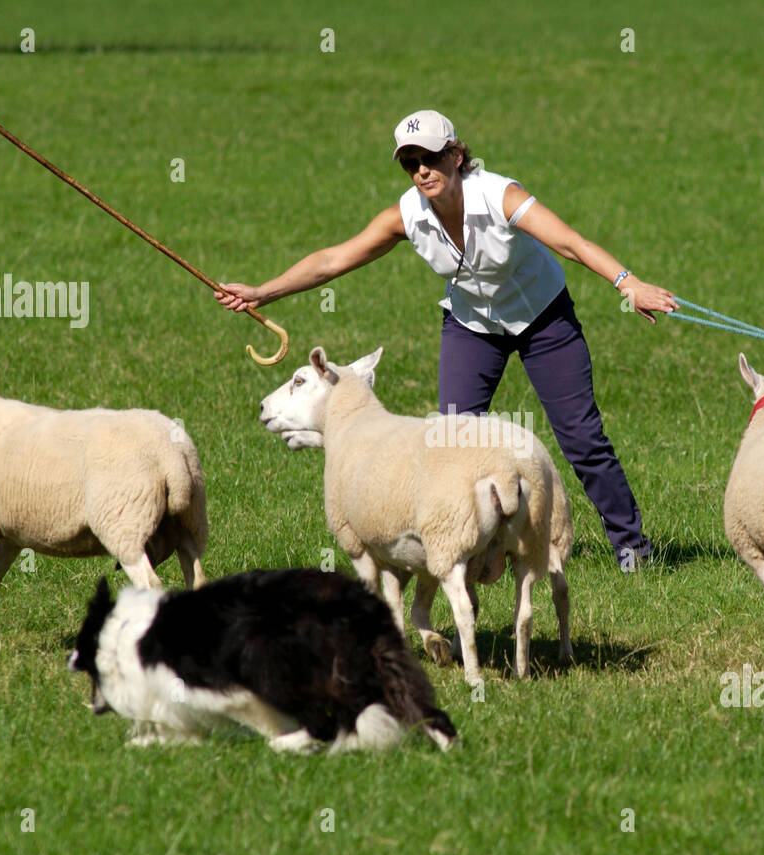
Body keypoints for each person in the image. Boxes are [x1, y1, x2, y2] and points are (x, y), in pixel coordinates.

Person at [216, 109, 676, 570]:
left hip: (543, 319)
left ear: (456, 155)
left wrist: (627, 282)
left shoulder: (500, 195)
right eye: (410, 162)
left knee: (581, 437)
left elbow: (570, 243)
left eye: (431, 158)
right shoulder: (407, 214)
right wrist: (263, 292)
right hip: (472, 325)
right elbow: (333, 260)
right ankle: (471, 548)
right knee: (452, 440)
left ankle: (632, 546)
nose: (421, 170)